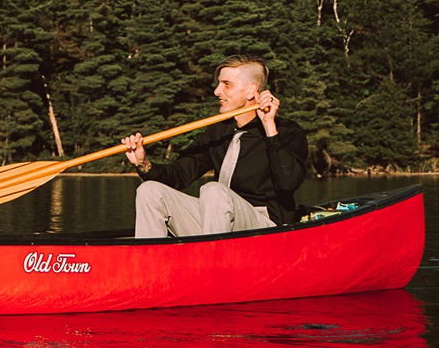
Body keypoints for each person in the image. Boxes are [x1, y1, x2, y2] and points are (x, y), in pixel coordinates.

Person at [122, 56, 309, 238]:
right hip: (216, 222)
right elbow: (179, 175)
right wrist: (143, 163)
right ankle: (151, 263)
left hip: (266, 226)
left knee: (213, 190)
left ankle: (212, 265)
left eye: (226, 84)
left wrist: (269, 126)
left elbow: (289, 183)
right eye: (219, 83)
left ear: (252, 91)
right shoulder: (218, 131)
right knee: (150, 191)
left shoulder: (286, 131)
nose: (217, 91)